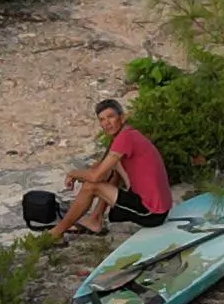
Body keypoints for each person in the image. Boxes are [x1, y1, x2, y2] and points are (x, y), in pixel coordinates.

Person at [49, 96, 172, 236]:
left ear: (122, 117)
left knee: (92, 186)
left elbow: (95, 176)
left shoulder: (125, 138)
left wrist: (73, 173)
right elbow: (101, 168)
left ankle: (57, 232)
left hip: (151, 213)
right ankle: (95, 219)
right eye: (102, 119)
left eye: (111, 117)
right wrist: (86, 174)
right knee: (113, 170)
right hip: (158, 207)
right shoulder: (125, 135)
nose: (107, 123)